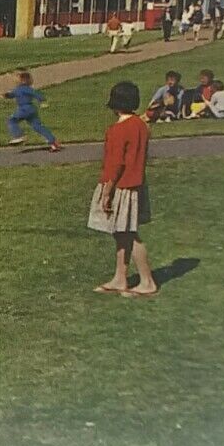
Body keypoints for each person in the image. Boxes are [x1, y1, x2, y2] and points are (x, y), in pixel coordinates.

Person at [89, 81, 157, 298]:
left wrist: (107, 191)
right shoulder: (141, 125)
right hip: (136, 183)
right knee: (121, 232)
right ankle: (120, 277)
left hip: (121, 185)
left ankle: (147, 281)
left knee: (128, 232)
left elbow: (116, 163)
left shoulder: (118, 130)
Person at [3, 70, 60, 152]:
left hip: (24, 109)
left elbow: (12, 94)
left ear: (22, 80)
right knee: (38, 126)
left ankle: (19, 136)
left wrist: (7, 95)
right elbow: (37, 94)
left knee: (12, 120)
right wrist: (42, 101)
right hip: (31, 109)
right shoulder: (28, 89)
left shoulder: (19, 89)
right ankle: (53, 142)